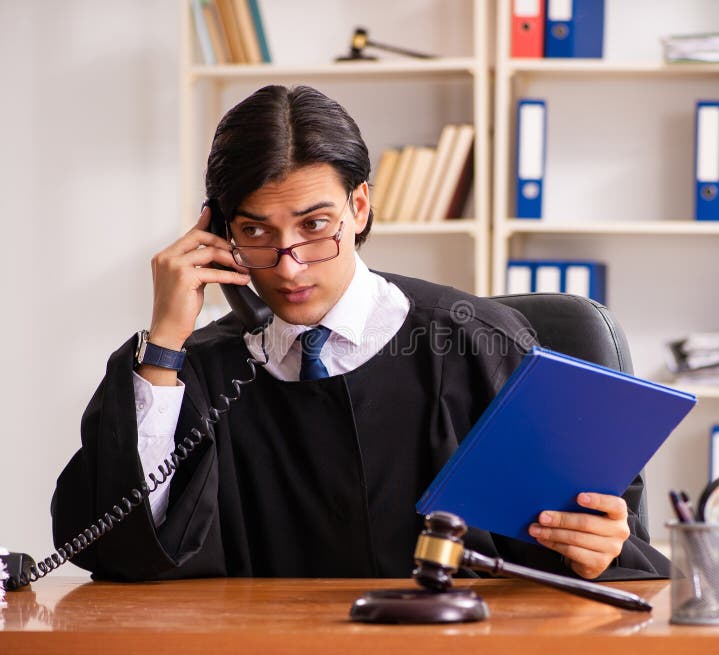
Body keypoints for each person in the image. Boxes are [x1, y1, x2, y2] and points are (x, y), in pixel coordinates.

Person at [52, 84, 669, 583]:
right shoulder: (195, 373)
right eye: (257, 232)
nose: (289, 266)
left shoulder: (480, 345)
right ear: (218, 234)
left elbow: (611, 544)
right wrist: (163, 346)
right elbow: (120, 551)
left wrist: (599, 549)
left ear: (362, 207)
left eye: (316, 225)